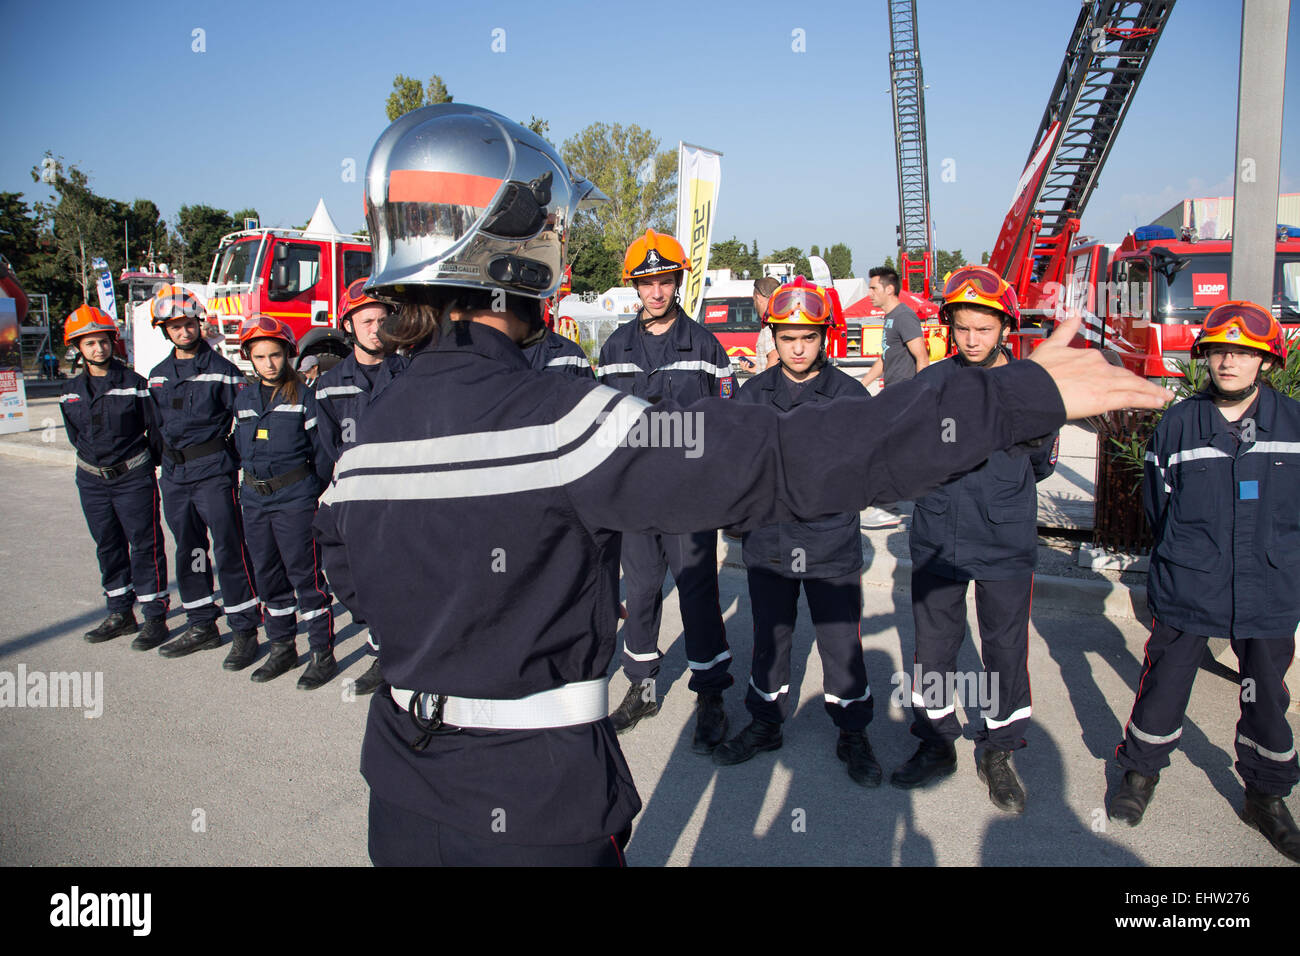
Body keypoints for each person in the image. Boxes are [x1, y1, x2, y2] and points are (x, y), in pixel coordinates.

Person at [314, 103, 1166, 867]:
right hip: (532, 810)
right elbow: (793, 457)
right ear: (524, 254)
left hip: (398, 798)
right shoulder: (561, 421)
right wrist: (1017, 392)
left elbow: (349, 575)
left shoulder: (364, 437)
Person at [1109, 300, 1300, 862]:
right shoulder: (1179, 423)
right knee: (1164, 685)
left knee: (1266, 696)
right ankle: (1138, 777)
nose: (1229, 361)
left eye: (1243, 352)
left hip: (1268, 587)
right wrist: (1191, 555)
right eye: (1219, 350)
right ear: (1205, 357)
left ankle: (1266, 797)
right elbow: (1157, 504)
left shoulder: (1294, 424)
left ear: (1265, 361)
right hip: (1192, 583)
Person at [891, 266, 1058, 814]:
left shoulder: (1031, 386)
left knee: (1004, 648)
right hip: (938, 536)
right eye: (961, 328)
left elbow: (1041, 462)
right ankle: (937, 742)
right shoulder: (933, 381)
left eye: (983, 329)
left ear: (1005, 328)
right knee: (934, 648)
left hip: (1004, 540)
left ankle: (999, 749)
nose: (971, 339)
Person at [712, 277, 881, 786]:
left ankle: (853, 732)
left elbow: (868, 469)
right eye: (788, 337)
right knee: (771, 638)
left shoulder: (850, 396)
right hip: (770, 542)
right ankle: (766, 723)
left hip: (830, 544)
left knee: (840, 644)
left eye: (808, 336)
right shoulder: (753, 395)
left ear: (825, 335)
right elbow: (735, 469)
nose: (799, 347)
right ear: (773, 337)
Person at [596, 228, 738, 753]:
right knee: (641, 591)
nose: (657, 292)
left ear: (679, 281)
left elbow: (727, 421)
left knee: (699, 593)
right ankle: (643, 684)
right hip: (635, 497)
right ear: (634, 286)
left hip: (689, 497)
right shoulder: (613, 350)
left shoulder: (705, 346)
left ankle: (712, 694)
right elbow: (605, 425)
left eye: (666, 281)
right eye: (648, 282)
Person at [146, 285, 261, 661]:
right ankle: (201, 624)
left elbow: (245, 422)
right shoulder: (158, 376)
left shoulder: (223, 373)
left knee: (229, 549)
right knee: (190, 550)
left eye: (189, 324)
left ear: (200, 323)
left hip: (213, 474)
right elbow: (153, 426)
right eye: (175, 326)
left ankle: (244, 627)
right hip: (176, 476)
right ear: (165, 330)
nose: (184, 332)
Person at [314, 278, 408, 695]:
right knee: (349, 575)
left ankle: (407, 655)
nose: (375, 327)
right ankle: (380, 645)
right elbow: (327, 446)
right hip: (354, 498)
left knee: (407, 578)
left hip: (404, 496)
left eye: (382, 319)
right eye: (366, 320)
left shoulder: (412, 371)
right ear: (347, 326)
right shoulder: (329, 383)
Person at [231, 315, 335, 688]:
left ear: (288, 355)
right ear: (250, 359)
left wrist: (306, 492)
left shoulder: (305, 397)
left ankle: (322, 653)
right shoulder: (243, 399)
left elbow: (322, 455)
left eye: (275, 355)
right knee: (268, 576)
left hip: (294, 500)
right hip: (255, 502)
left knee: (305, 577)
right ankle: (281, 647)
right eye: (260, 357)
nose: (269, 364)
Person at [60, 305, 170, 649]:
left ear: (113, 342)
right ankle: (120, 613)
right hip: (92, 480)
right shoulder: (70, 391)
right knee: (107, 545)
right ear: (78, 347)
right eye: (90, 343)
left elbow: (155, 431)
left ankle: (154, 617)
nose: (98, 349)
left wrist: (138, 465)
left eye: (104, 341)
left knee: (145, 545)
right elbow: (75, 436)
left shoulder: (135, 384)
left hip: (132, 477)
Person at [857, 266, 927, 530]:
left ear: (889, 289)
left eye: (873, 288)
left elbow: (922, 357)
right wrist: (862, 384)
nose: (870, 293)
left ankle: (888, 509)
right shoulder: (889, 319)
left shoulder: (904, 317)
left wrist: (920, 396)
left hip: (905, 396)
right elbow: (885, 358)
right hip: (892, 395)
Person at [748, 276, 780, 373]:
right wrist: (758, 369)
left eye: (754, 300)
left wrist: (764, 385)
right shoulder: (780, 319)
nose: (755, 305)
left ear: (758, 297)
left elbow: (774, 357)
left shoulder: (770, 324)